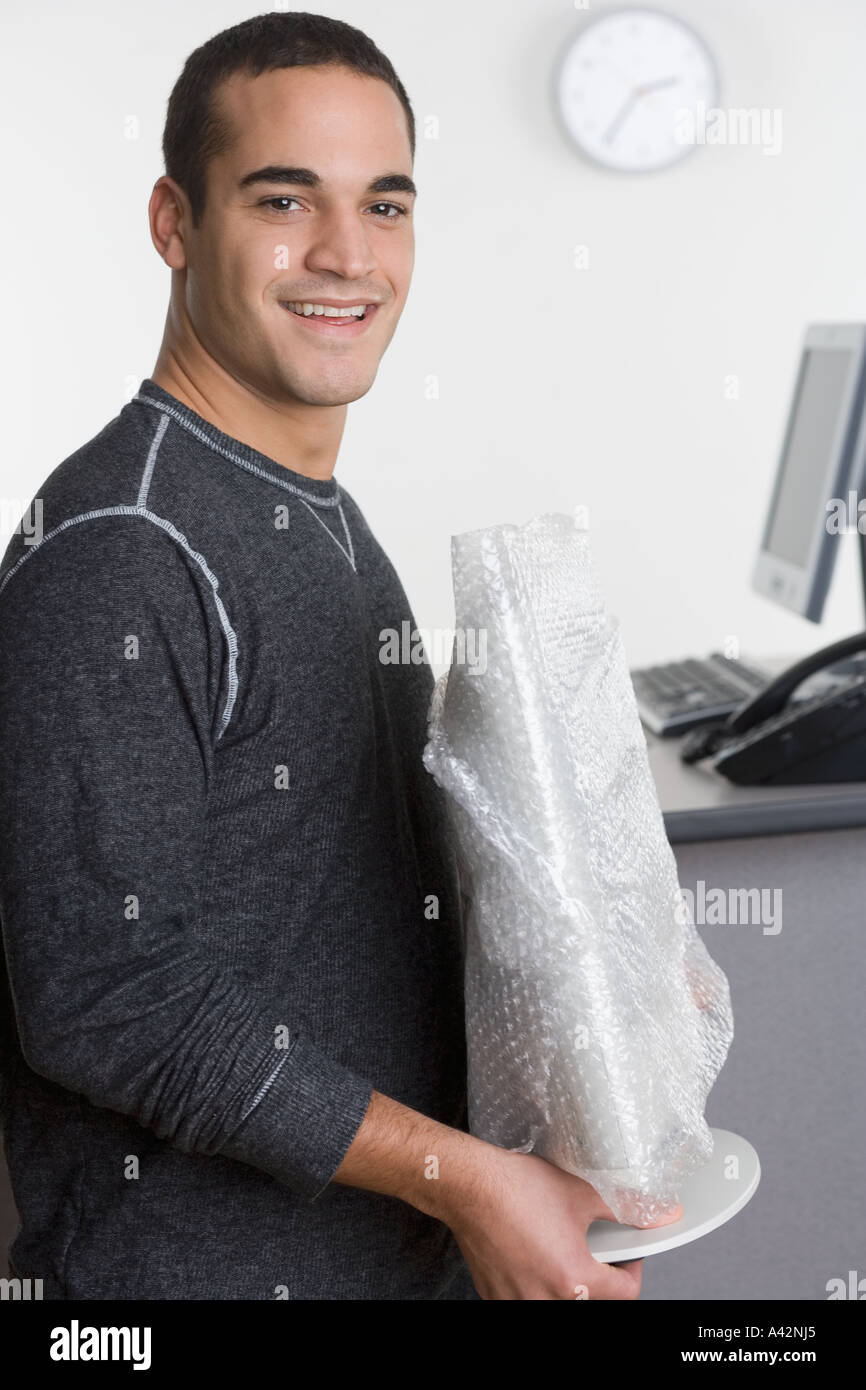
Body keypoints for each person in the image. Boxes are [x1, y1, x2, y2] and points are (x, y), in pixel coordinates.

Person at [0, 10, 678, 1300]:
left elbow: (365, 887)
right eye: (283, 199)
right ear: (172, 222)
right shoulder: (125, 552)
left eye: (386, 205)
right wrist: (471, 1184)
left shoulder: (311, 510)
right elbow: (107, 995)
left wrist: (618, 979)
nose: (345, 256)